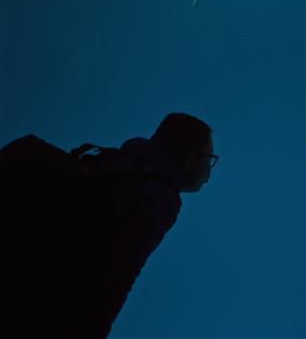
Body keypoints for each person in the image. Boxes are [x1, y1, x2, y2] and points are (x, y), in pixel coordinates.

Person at [0, 113, 217, 338]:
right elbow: (111, 284)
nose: (210, 172)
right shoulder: (159, 198)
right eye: (209, 159)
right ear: (191, 159)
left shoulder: (113, 163)